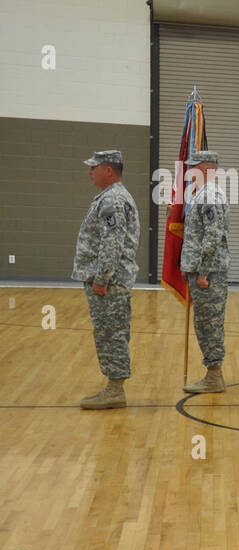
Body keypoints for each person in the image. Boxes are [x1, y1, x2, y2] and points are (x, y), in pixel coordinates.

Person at [75, 150, 139, 409]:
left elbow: (111, 242)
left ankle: (115, 390)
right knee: (109, 331)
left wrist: (102, 278)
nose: (90, 172)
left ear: (108, 170)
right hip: (108, 280)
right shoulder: (109, 197)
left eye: (94, 167)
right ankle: (114, 388)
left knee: (111, 332)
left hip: (109, 282)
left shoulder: (113, 199)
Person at [179, 150, 231, 393]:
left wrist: (202, 272)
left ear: (207, 168)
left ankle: (214, 377)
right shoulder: (202, 193)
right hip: (201, 270)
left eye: (194, 167)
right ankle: (212, 374)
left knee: (209, 323)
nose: (189, 171)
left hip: (208, 273)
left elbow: (212, 236)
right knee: (204, 322)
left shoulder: (211, 195)